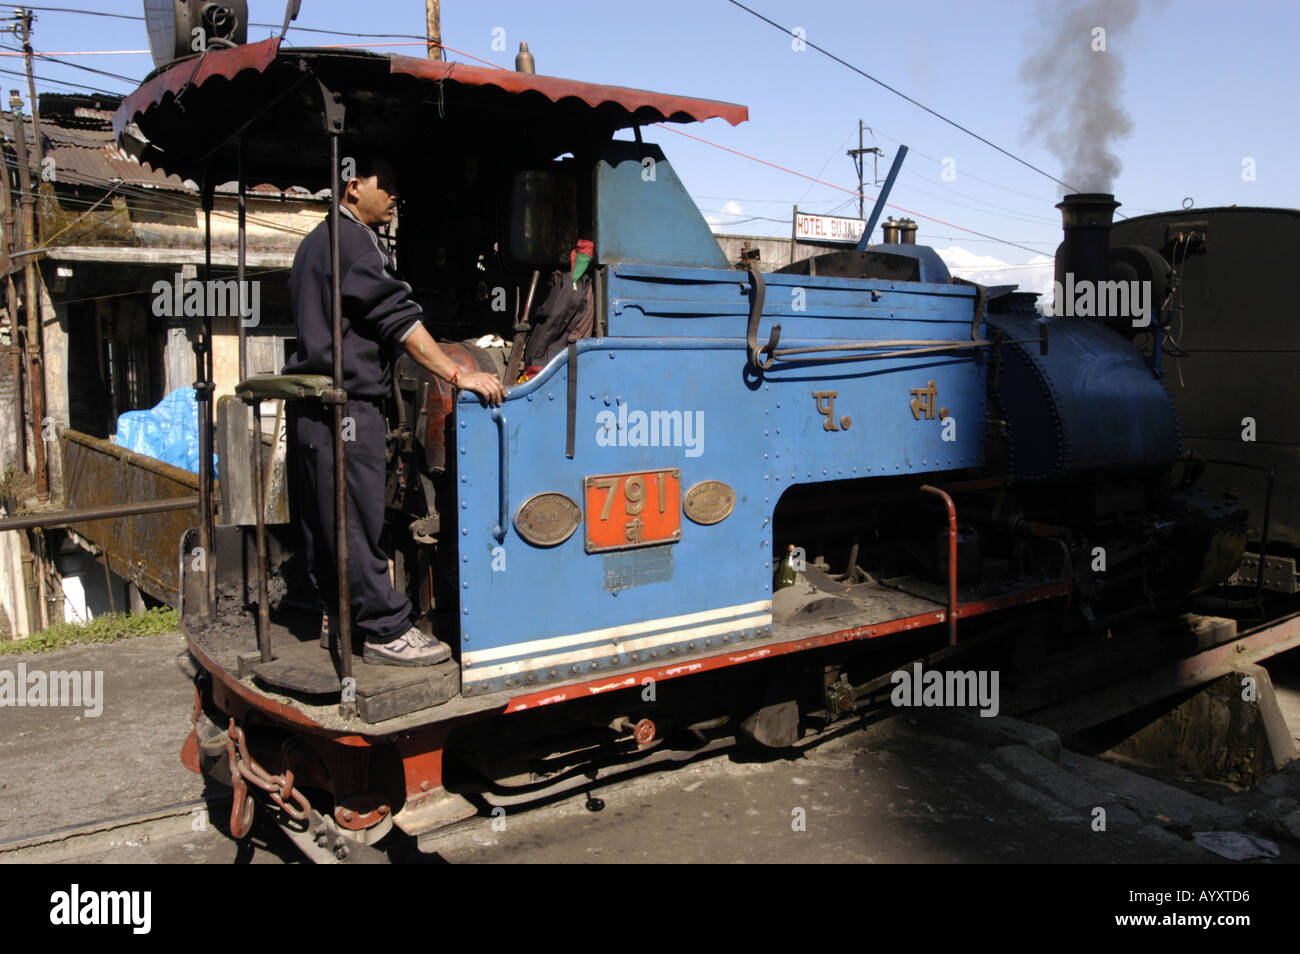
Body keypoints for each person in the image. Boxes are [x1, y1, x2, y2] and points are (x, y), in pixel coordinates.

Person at [284, 150, 505, 666]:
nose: (395, 195)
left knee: (326, 522)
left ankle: (337, 620)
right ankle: (385, 632)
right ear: (354, 185)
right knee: (358, 522)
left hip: (313, 408)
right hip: (348, 405)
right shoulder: (357, 242)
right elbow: (400, 321)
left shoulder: (315, 243)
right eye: (389, 184)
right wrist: (459, 373)